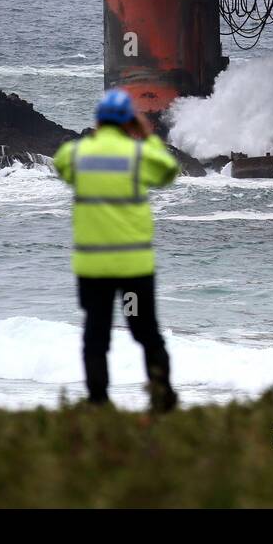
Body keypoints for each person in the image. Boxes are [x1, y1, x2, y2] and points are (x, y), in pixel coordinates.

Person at [52, 88, 180, 411]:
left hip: (93, 267)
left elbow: (61, 166)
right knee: (147, 333)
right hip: (134, 265)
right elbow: (167, 170)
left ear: (98, 121)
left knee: (96, 334)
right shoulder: (138, 157)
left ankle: (98, 400)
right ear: (128, 123)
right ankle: (162, 396)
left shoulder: (78, 154)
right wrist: (147, 135)